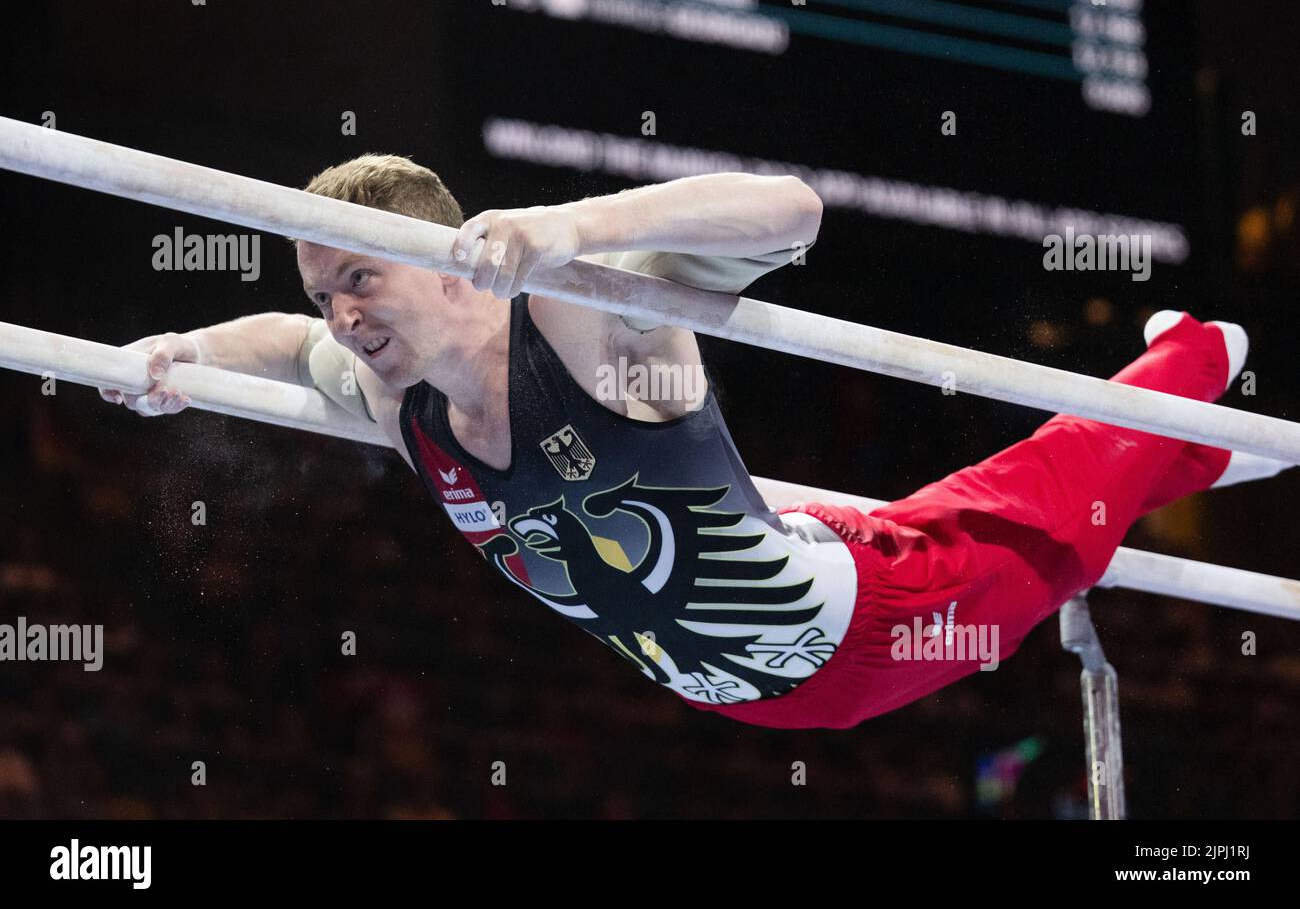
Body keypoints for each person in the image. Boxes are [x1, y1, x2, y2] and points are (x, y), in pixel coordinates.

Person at [98, 156, 1290, 729]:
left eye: (357, 277)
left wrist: (571, 225)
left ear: (435, 252)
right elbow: (269, 343)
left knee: (1051, 509)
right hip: (753, 655)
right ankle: (1192, 448)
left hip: (875, 624)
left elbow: (791, 214)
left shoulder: (586, 317)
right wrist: (175, 352)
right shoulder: (394, 399)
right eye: (324, 293)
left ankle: (1197, 355)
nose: (341, 316)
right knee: (1057, 503)